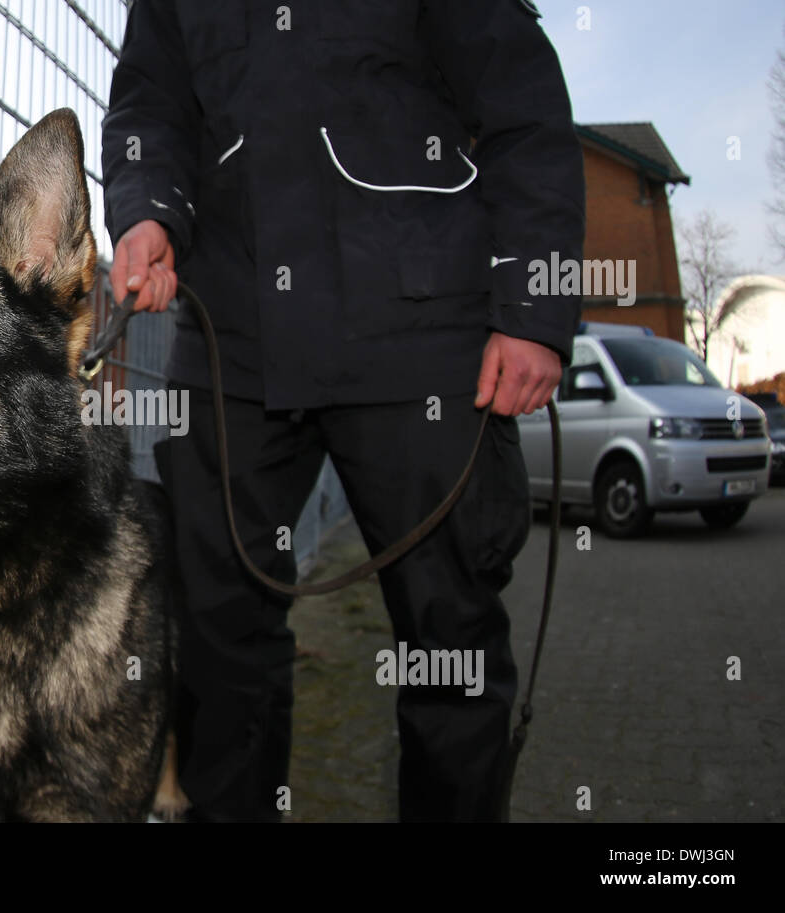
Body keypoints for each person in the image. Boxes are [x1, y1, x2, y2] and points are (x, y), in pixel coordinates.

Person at [101, 0, 584, 822]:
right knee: (218, 648)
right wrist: (145, 207)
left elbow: (524, 108)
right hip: (234, 343)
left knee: (449, 647)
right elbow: (149, 100)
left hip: (421, 331)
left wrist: (533, 311)